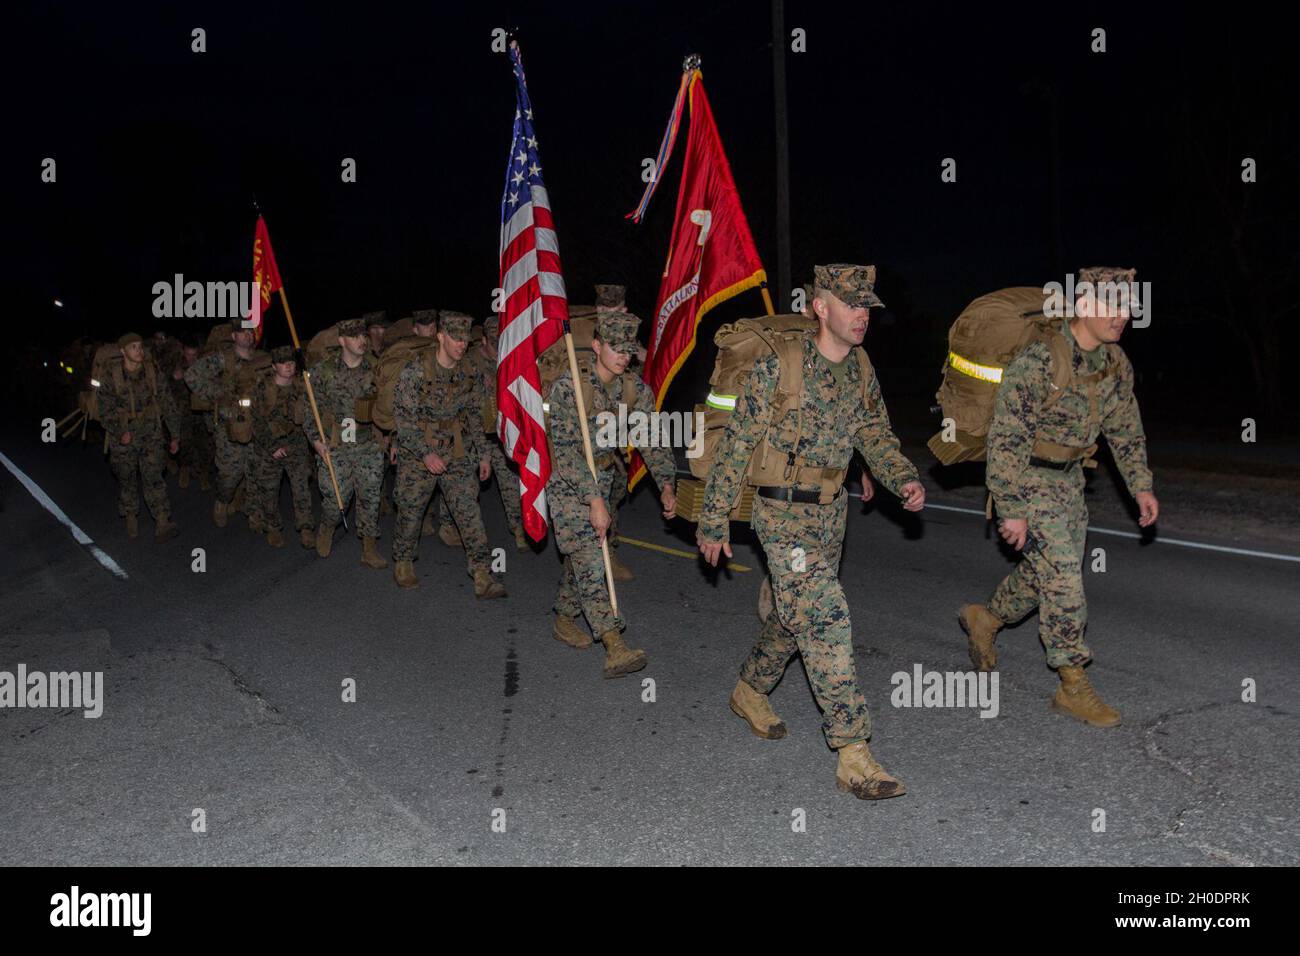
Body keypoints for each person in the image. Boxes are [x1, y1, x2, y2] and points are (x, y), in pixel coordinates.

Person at [697, 264, 926, 800]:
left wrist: (903, 478)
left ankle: (750, 689)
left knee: (791, 615)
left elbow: (874, 432)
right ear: (821, 308)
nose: (862, 314)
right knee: (826, 615)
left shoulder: (861, 366)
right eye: (851, 304)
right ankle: (853, 754)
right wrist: (712, 519)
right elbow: (737, 443)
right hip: (781, 517)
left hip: (831, 513)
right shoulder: (781, 364)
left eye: (867, 305)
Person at [958, 267, 1158, 728]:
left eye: (1128, 306)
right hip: (1028, 478)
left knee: (1042, 574)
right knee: (1065, 577)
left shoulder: (1114, 362)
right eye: (1113, 305)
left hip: (1070, 479)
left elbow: (1125, 428)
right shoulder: (1039, 360)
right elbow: (1006, 439)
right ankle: (1072, 682)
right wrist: (1010, 509)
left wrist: (1140, 484)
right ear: (1084, 305)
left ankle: (985, 619)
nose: (1123, 315)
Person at [547, 311, 677, 678]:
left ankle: (563, 616)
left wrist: (666, 483)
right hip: (571, 485)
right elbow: (568, 453)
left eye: (629, 351)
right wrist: (594, 501)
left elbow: (652, 440)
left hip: (605, 477)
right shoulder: (569, 388)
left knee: (582, 557)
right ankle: (613, 642)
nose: (623, 357)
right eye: (615, 348)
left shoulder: (634, 390)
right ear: (598, 345)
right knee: (591, 556)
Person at [390, 311, 506, 598]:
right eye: (455, 337)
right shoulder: (416, 370)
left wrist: (482, 454)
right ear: (440, 337)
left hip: (457, 451)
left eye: (466, 338)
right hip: (419, 452)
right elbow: (403, 419)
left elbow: (476, 416)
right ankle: (403, 560)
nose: (462, 343)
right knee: (411, 511)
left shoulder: (470, 372)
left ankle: (482, 574)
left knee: (469, 512)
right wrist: (426, 454)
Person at [436, 315, 528, 552]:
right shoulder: (468, 363)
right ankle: (448, 524)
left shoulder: (510, 359)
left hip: (501, 437)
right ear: (484, 340)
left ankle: (518, 529)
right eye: (495, 344)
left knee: (510, 484)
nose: (500, 349)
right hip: (472, 437)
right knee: (461, 484)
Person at [304, 319, 387, 568]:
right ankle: (328, 525)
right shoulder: (323, 372)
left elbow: (387, 406)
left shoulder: (376, 369)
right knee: (334, 498)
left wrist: (388, 439)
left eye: (363, 335)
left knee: (370, 497)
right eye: (354, 337)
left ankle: (369, 547)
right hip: (335, 445)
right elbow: (310, 409)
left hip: (368, 444)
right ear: (342, 341)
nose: (362, 340)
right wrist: (316, 441)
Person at [184, 319, 268, 530]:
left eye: (251, 331)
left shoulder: (261, 359)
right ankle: (222, 501)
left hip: (257, 423)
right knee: (230, 473)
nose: (248, 335)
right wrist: (218, 396)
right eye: (242, 332)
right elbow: (191, 376)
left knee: (255, 470)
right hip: (229, 425)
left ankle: (254, 514)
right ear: (234, 336)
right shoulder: (223, 359)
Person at [98, 333, 181, 542]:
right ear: (123, 351)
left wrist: (174, 435)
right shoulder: (111, 376)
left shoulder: (153, 372)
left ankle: (162, 521)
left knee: (154, 477)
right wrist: (119, 432)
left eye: (140, 346)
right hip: (124, 437)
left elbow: (168, 403)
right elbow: (105, 410)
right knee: (127, 478)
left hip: (151, 433)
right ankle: (130, 514)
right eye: (133, 347)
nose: (139, 350)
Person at [251, 346, 315, 549]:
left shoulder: (302, 387)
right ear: (273, 366)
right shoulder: (262, 390)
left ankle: (305, 528)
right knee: (269, 491)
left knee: (301, 489)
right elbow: (255, 422)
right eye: (283, 363)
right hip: (270, 449)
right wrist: (271, 447)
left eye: (292, 362)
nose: (289, 366)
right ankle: (273, 527)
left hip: (296, 446)